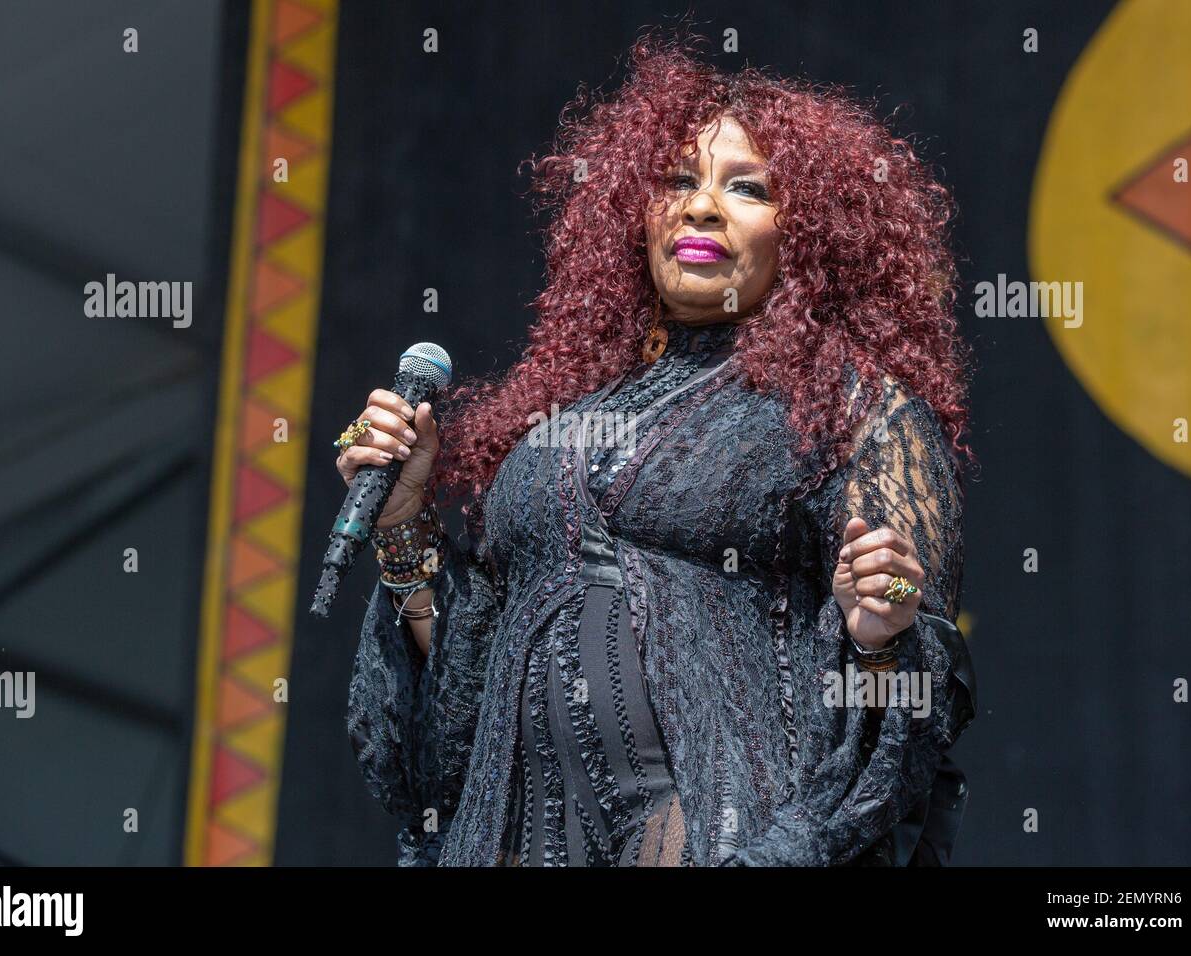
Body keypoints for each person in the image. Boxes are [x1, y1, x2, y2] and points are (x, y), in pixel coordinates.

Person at [343, 34, 976, 866]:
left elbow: (902, 723)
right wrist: (401, 525)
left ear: (815, 236)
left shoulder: (857, 411)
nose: (701, 207)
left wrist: (879, 638)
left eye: (745, 188)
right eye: (678, 180)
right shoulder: (557, 419)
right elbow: (452, 713)